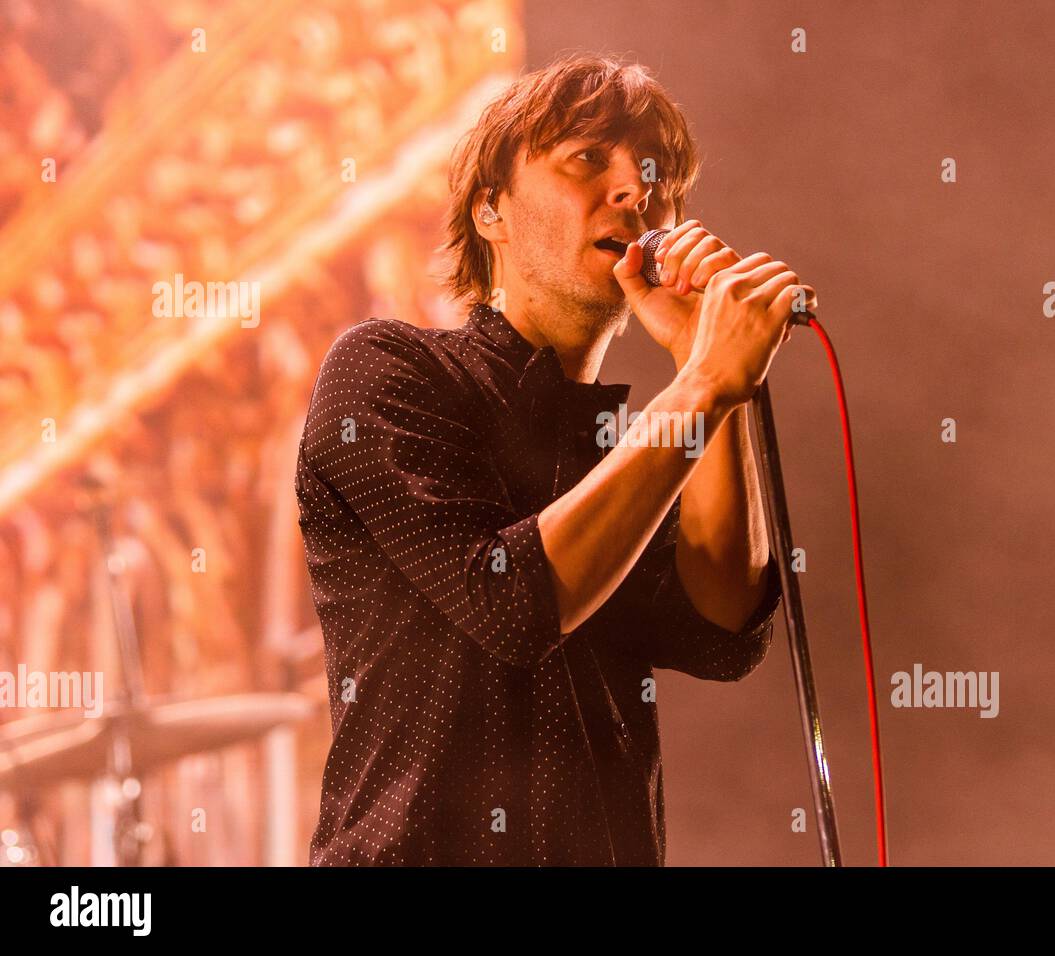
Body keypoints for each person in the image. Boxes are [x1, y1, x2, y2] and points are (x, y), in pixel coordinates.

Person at [295, 53, 816, 865]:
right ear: (490, 210)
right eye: (587, 159)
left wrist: (704, 373)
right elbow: (510, 605)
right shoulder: (386, 372)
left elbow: (723, 629)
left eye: (654, 176)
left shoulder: (626, 450)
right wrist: (708, 381)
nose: (634, 191)